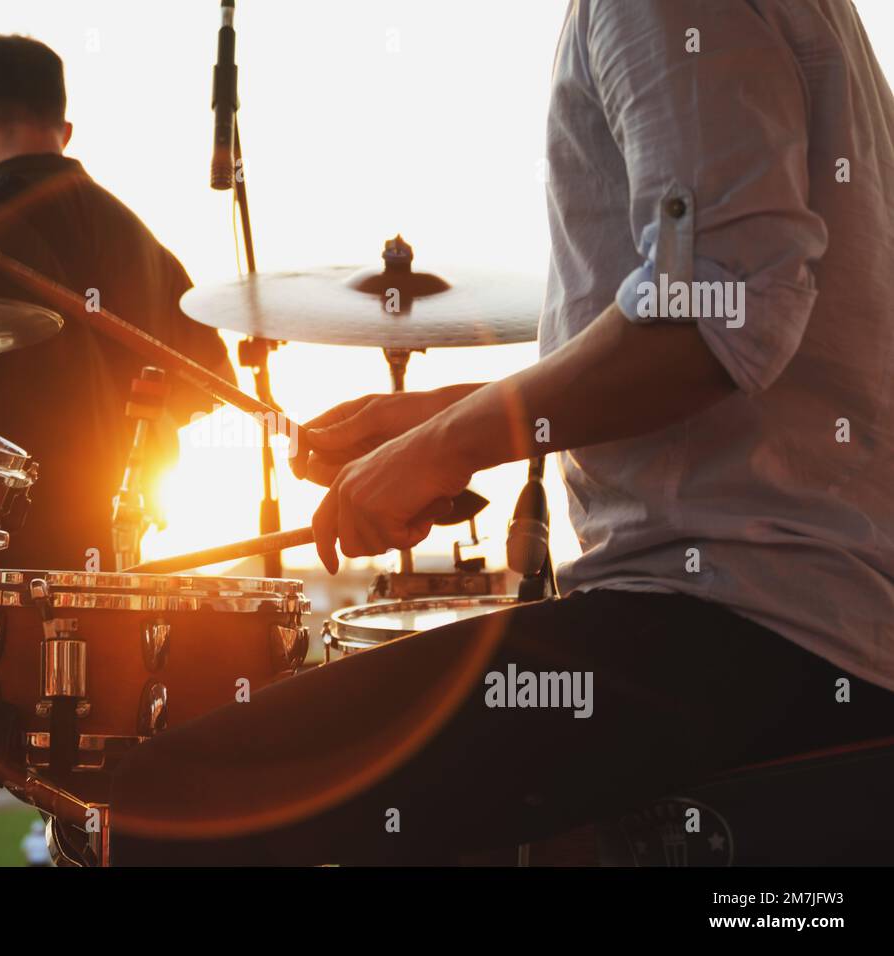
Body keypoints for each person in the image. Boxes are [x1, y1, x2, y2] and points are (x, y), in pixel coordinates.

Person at [107, 0, 894, 864]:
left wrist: (439, 448)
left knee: (179, 794)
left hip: (741, 620)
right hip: (799, 619)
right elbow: (731, 342)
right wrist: (431, 419)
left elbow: (715, 313)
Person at [0, 34, 233, 866]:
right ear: (63, 130)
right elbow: (204, 383)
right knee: (102, 822)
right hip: (106, 602)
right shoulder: (144, 247)